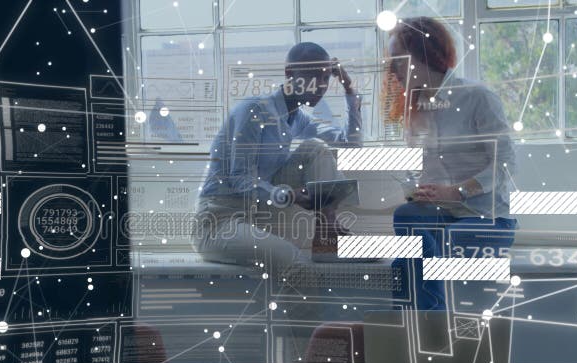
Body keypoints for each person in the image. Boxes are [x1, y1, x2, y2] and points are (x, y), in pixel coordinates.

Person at [192, 42, 362, 274]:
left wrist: (349, 88)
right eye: (313, 76)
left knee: (315, 148)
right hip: (219, 222)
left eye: (325, 78)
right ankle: (325, 245)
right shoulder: (255, 110)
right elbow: (240, 179)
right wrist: (289, 195)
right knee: (297, 264)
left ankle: (327, 233)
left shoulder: (297, 118)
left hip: (256, 214)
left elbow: (350, 144)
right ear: (290, 74)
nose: (321, 85)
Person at [385, 17, 518, 310]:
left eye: (398, 59)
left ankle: (423, 322)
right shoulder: (416, 110)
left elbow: (506, 164)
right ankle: (424, 324)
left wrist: (458, 191)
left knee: (411, 258)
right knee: (405, 215)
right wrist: (418, 190)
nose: (392, 69)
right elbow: (420, 170)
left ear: (423, 55)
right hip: (441, 216)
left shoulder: (477, 97)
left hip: (487, 218)